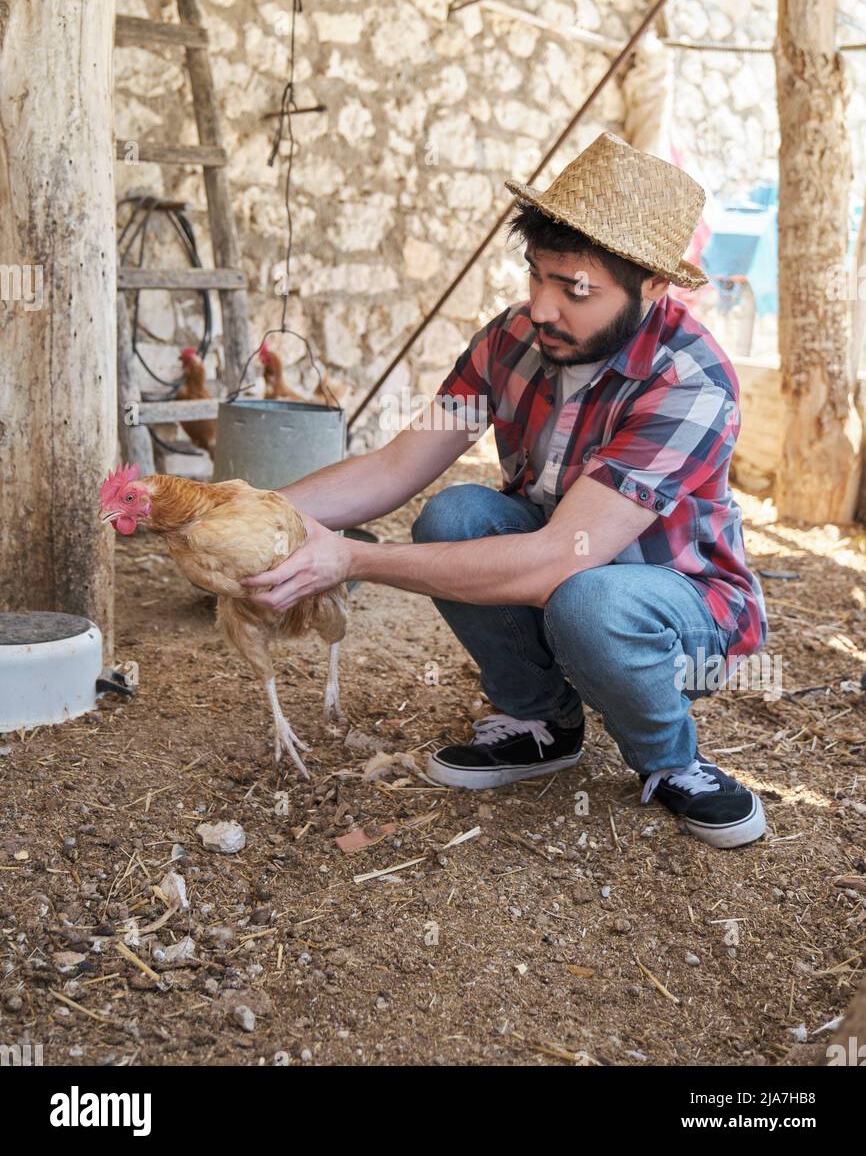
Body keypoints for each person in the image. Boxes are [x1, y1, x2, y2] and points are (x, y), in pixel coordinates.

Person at [242, 133, 769, 849]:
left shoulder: (690, 383)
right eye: (536, 275)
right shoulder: (510, 341)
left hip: (678, 605)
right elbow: (396, 466)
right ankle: (542, 723)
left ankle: (671, 760)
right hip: (562, 568)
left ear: (652, 286)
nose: (541, 307)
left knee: (590, 600)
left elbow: (558, 560)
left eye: (574, 289)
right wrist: (243, 514)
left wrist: (354, 559)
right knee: (454, 514)